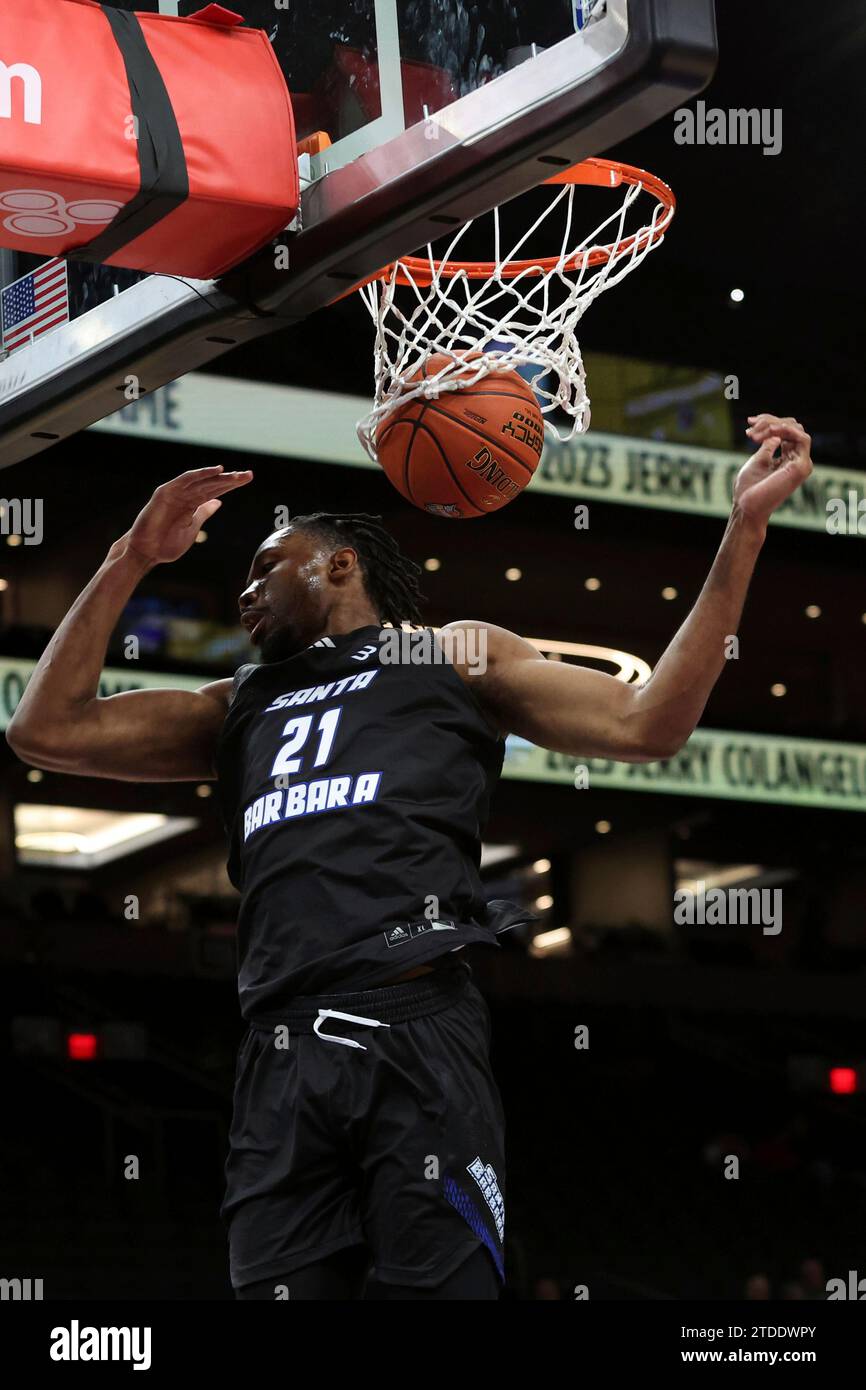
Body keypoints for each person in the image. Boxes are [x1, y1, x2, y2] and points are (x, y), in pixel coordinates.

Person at [7, 414, 813, 1300]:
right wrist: (130, 556)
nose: (243, 594)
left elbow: (648, 722)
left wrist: (743, 529)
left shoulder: (449, 656)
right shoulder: (238, 700)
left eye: (264, 566)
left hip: (415, 1027)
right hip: (280, 1053)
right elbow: (45, 730)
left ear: (340, 565)